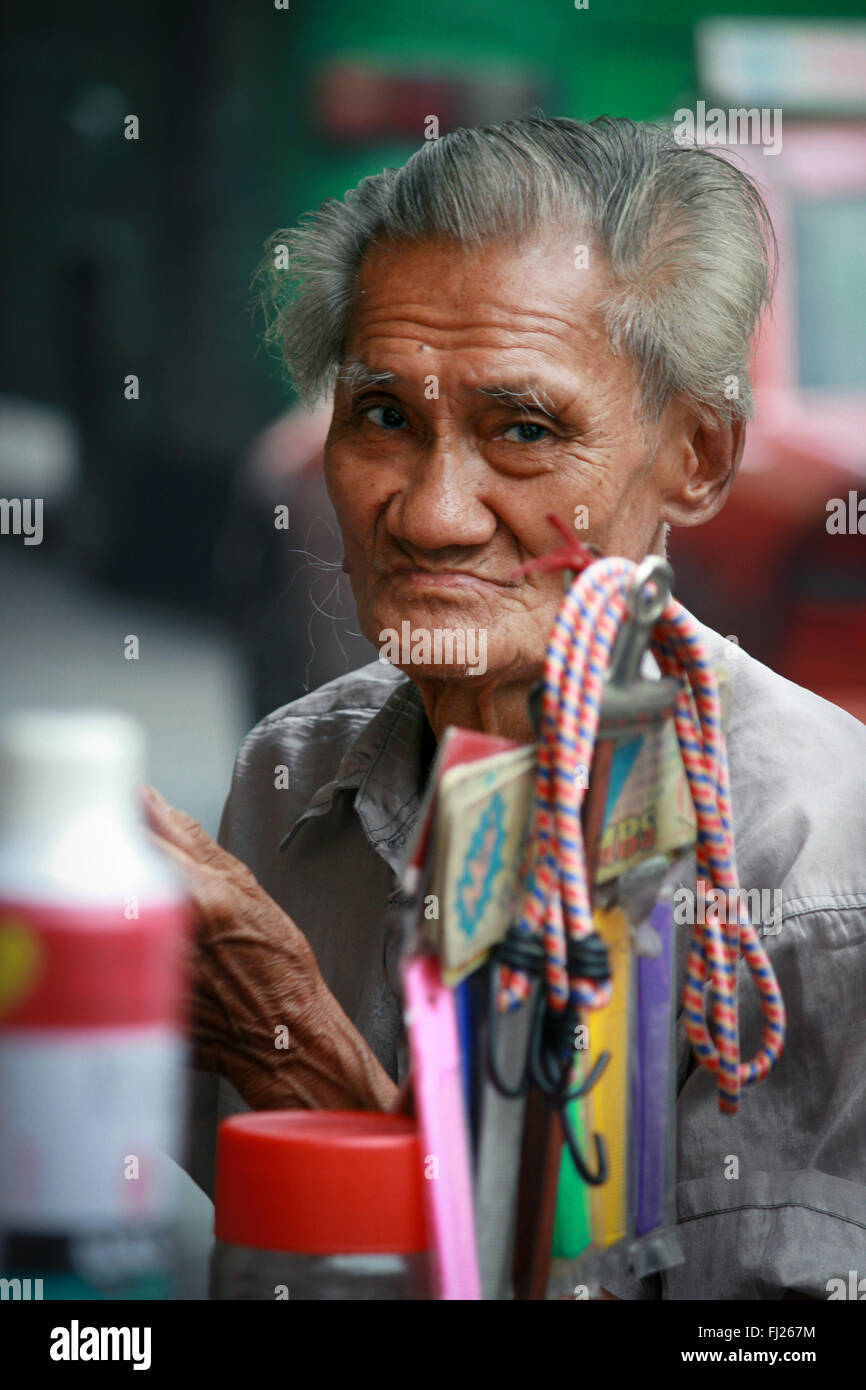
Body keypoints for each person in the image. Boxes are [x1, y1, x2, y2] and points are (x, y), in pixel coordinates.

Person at [146, 117, 866, 1299]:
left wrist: (305, 1065)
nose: (431, 513)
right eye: (381, 416)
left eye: (522, 431)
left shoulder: (803, 872)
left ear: (694, 454)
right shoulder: (294, 773)